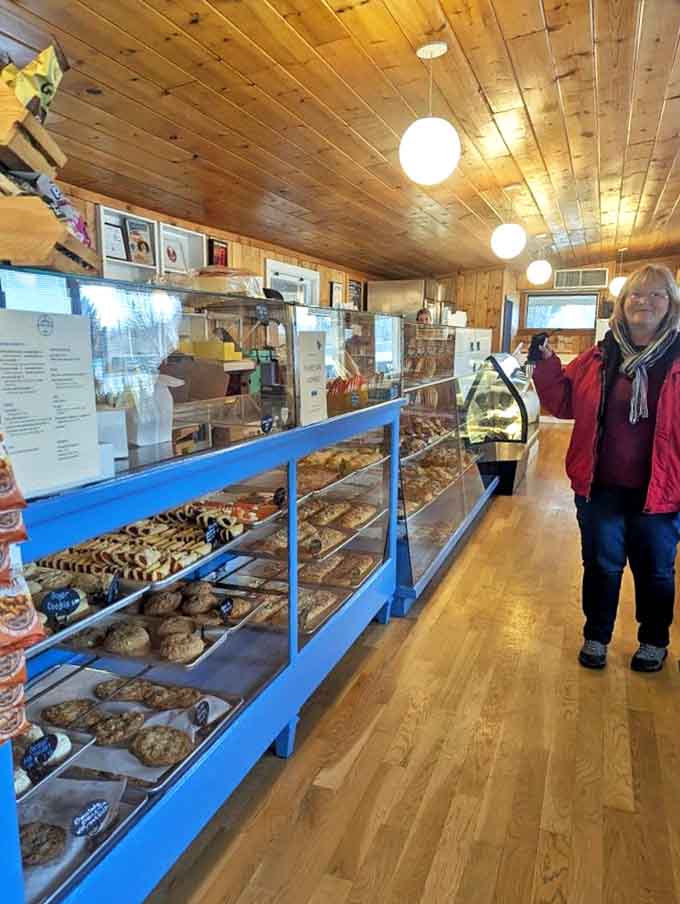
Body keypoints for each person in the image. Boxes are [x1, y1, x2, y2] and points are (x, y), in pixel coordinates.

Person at [531, 264, 680, 672]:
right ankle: (596, 635)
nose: (645, 302)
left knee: (656, 572)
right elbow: (563, 402)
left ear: (671, 304)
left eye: (656, 294)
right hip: (600, 487)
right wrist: (546, 364)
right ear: (622, 304)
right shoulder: (599, 356)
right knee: (600, 565)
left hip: (661, 492)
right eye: (636, 294)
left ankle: (653, 640)